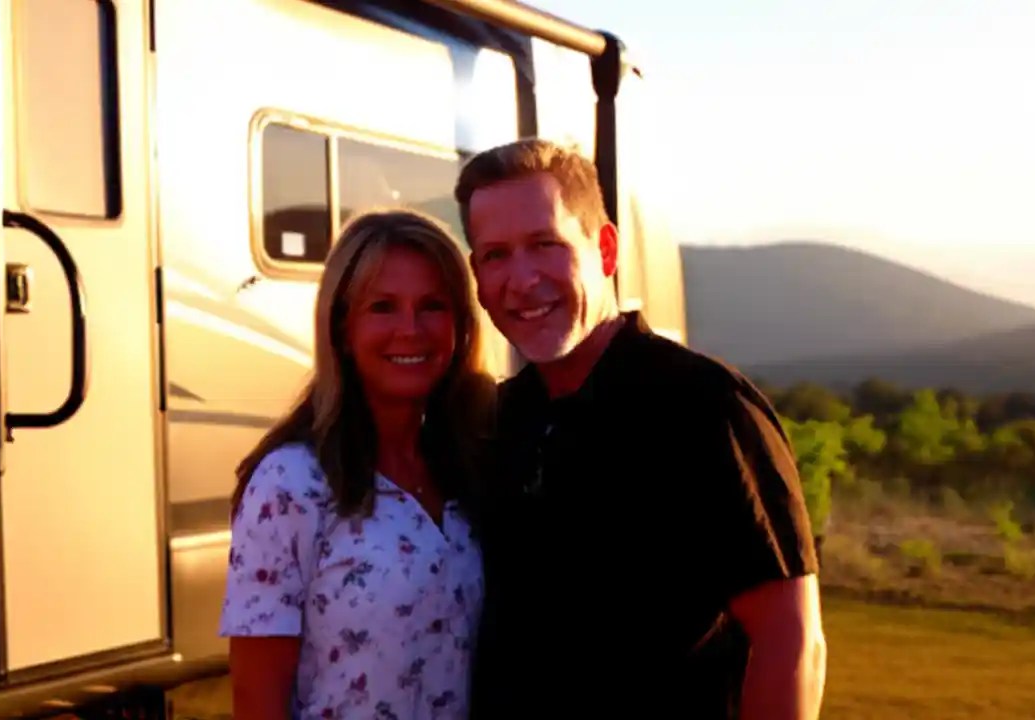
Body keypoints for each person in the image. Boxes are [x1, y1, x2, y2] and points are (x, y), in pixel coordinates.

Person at [455, 139, 827, 719]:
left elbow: (791, 643)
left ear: (605, 249)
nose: (521, 279)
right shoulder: (499, 420)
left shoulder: (701, 405)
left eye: (545, 245)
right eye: (495, 254)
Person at [219, 209, 496, 720]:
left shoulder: (471, 465)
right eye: (383, 307)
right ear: (342, 328)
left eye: (433, 306)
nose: (410, 330)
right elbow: (257, 705)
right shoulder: (291, 484)